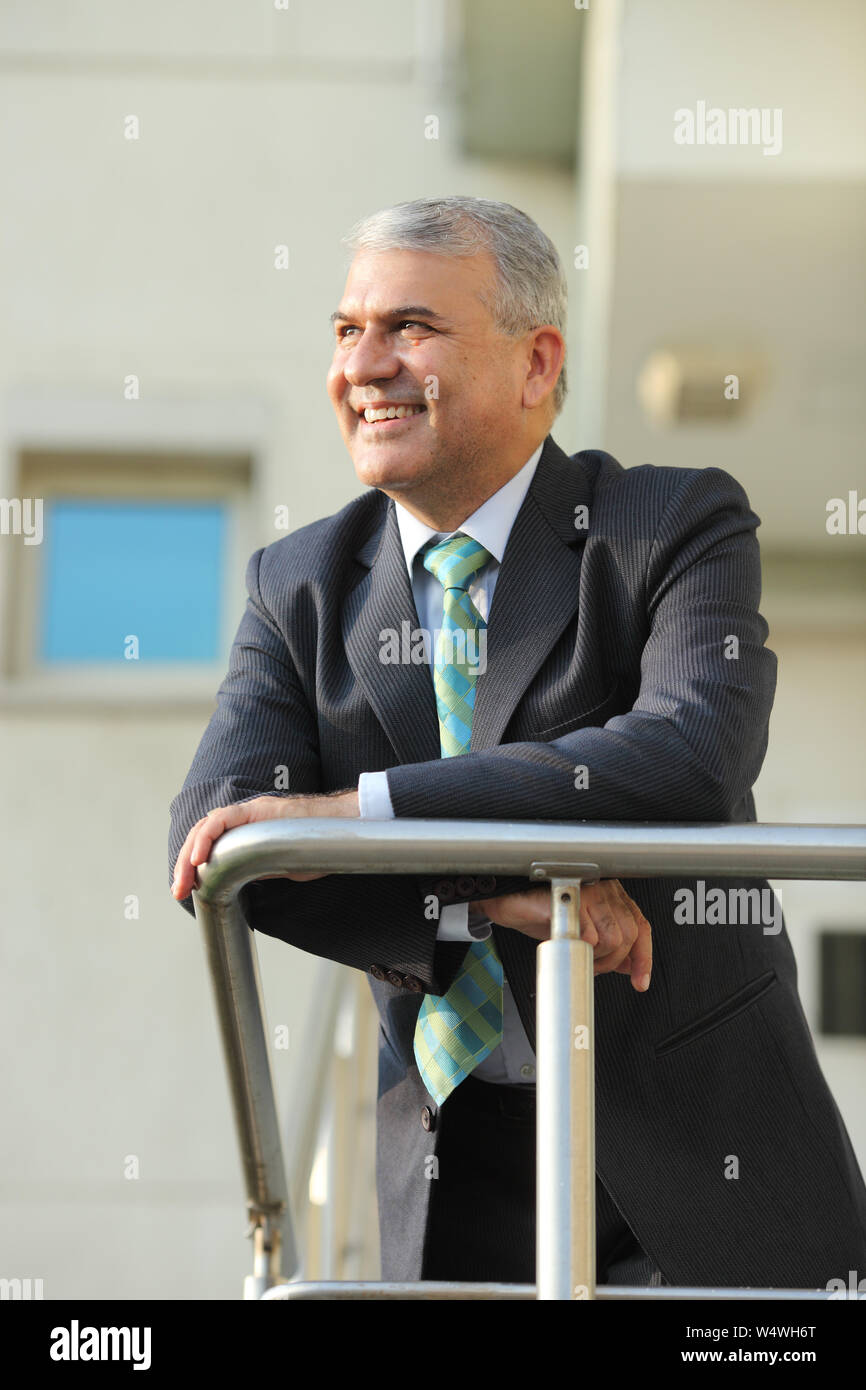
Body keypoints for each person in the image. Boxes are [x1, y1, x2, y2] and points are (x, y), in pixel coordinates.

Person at [169, 196, 866, 1289]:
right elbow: (219, 839)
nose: (367, 364)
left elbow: (688, 751)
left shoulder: (666, 526)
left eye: (410, 327)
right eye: (346, 330)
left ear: (535, 363)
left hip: (705, 1162)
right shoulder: (294, 584)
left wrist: (364, 817)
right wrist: (500, 890)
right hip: (450, 1173)